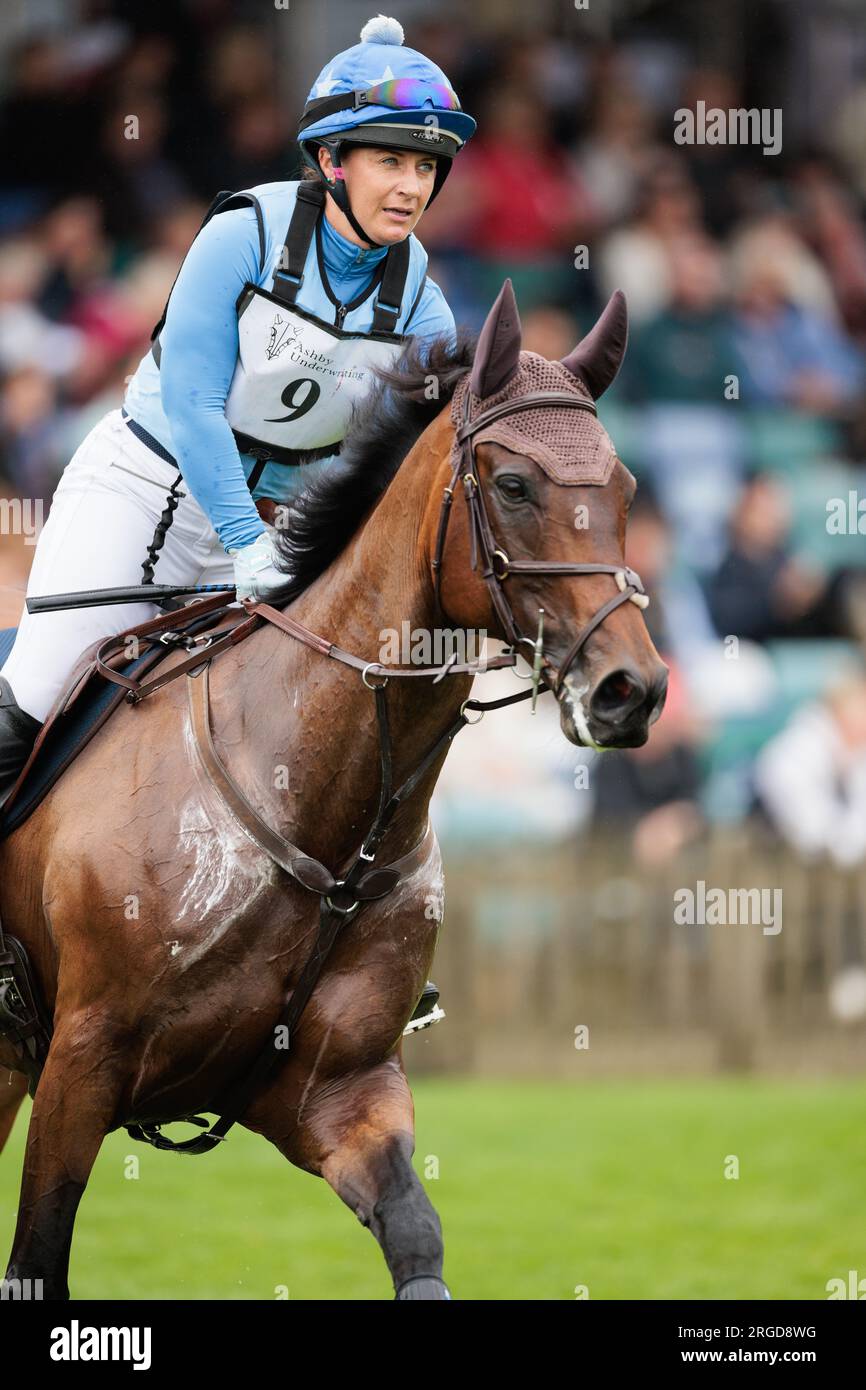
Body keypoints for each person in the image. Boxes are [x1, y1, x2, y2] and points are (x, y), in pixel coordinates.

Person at [0, 14, 476, 806]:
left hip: (281, 530)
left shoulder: (424, 312)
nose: (412, 186)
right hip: (144, 485)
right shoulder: (242, 234)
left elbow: (418, 470)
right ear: (331, 160)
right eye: (390, 159)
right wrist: (245, 540)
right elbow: (191, 401)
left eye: (428, 167)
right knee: (41, 691)